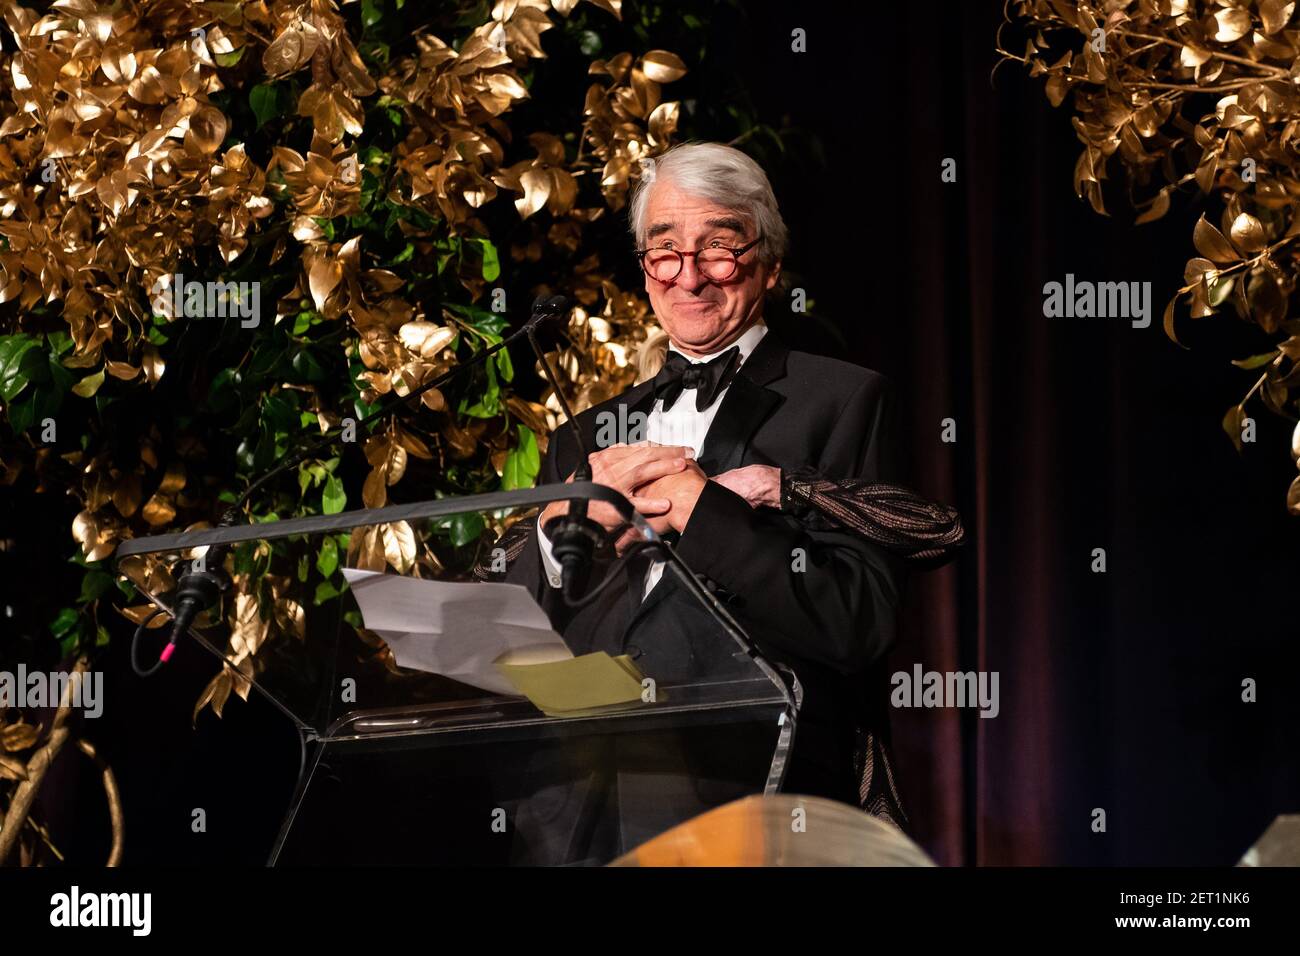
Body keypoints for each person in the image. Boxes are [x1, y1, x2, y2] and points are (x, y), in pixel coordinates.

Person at [505, 141, 906, 823]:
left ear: (770, 265)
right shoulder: (583, 436)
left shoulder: (841, 400)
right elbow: (514, 649)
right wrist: (553, 539)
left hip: (753, 802)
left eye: (719, 247)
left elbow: (858, 622)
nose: (688, 278)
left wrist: (703, 511)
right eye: (664, 250)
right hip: (579, 814)